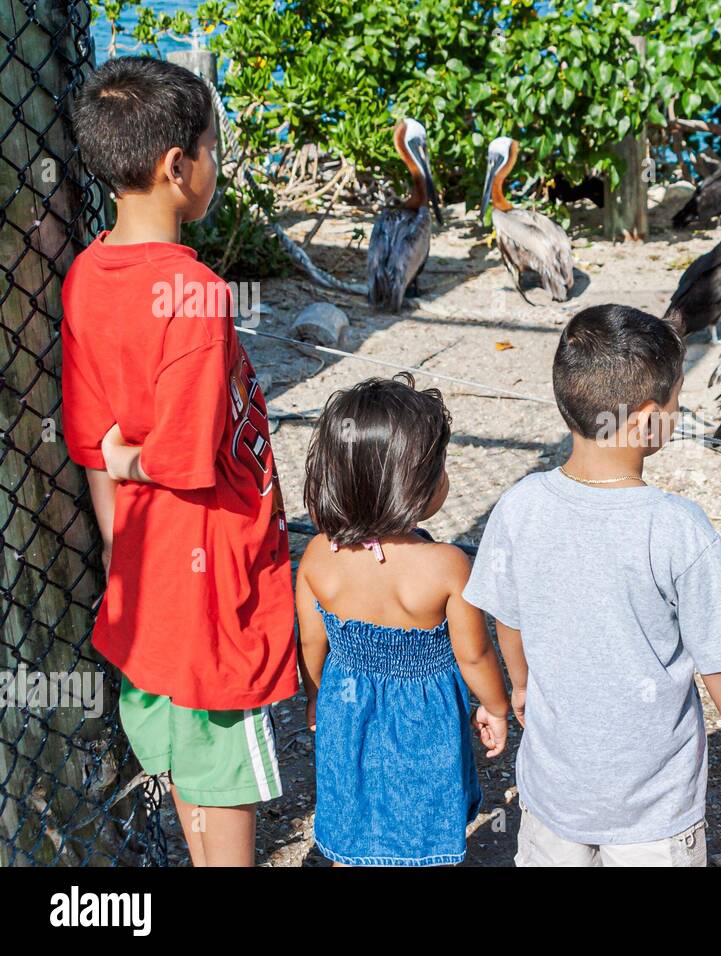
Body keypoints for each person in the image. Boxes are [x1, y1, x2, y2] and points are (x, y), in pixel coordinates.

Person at [62, 56, 296, 866]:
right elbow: (188, 455)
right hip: (210, 584)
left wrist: (121, 538)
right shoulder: (195, 293)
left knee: (183, 746)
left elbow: (97, 440)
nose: (216, 167)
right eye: (212, 148)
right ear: (176, 167)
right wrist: (136, 469)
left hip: (149, 574)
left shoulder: (88, 274)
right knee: (223, 765)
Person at [464, 304, 721, 866]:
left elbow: (509, 617)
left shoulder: (519, 505)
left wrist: (522, 684)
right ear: (647, 418)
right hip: (655, 803)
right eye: (677, 398)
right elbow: (720, 654)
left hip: (554, 789)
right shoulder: (676, 525)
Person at [296, 376, 510, 866]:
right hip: (425, 722)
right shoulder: (447, 564)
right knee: (425, 819)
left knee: (355, 807)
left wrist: (315, 698)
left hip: (345, 706)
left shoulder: (317, 555)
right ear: (412, 485)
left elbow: (312, 642)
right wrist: (496, 707)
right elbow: (474, 653)